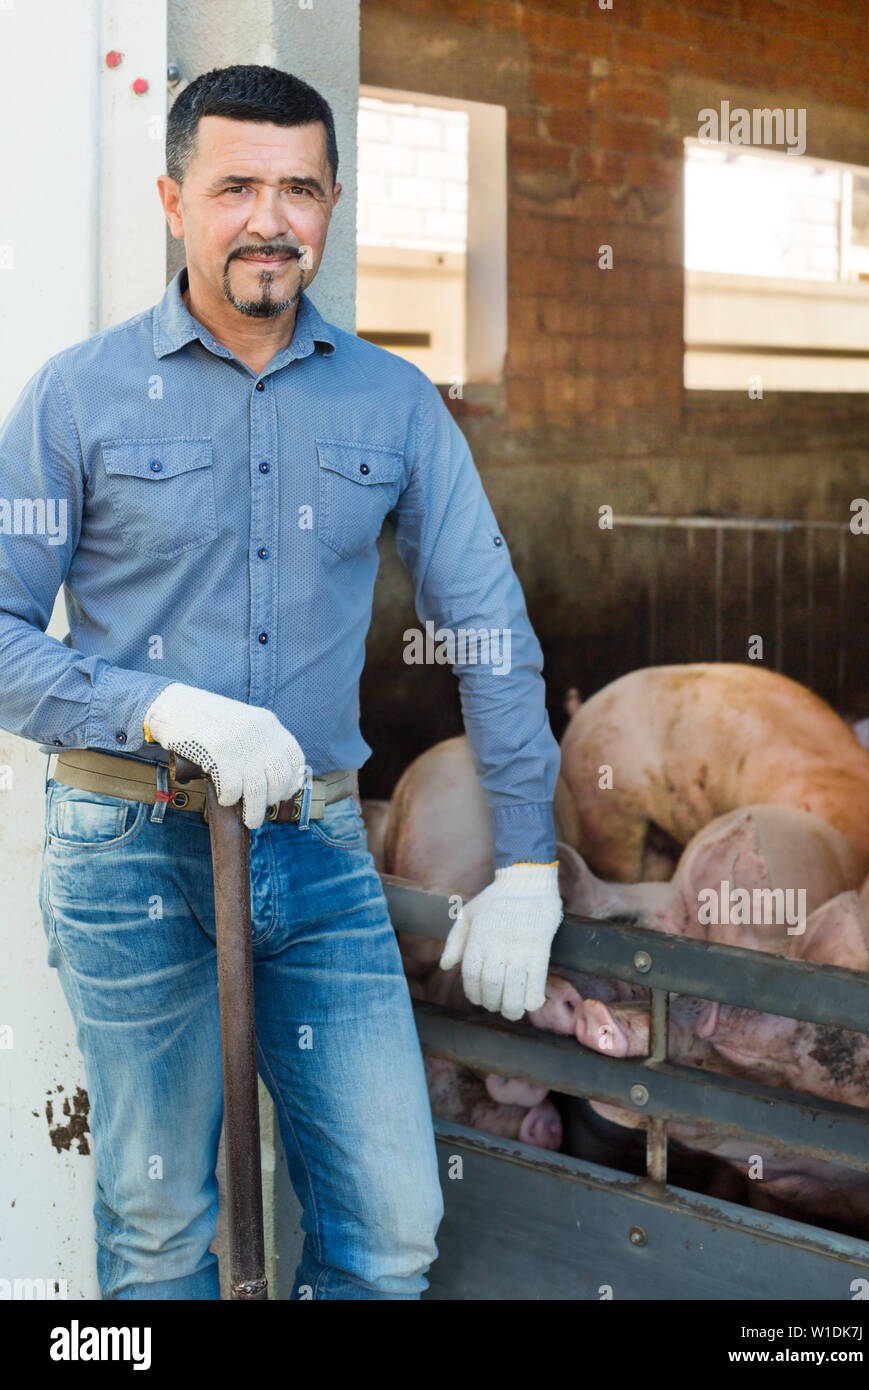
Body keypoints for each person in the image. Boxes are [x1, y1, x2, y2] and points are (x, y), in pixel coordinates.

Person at [0, 63, 562, 1300]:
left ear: (334, 203)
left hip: (313, 850)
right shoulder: (74, 396)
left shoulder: (394, 402)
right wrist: (152, 704)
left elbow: (486, 626)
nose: (270, 218)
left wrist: (525, 858)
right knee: (157, 1215)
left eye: (300, 188)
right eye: (236, 185)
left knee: (394, 1222)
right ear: (172, 199)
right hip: (127, 843)